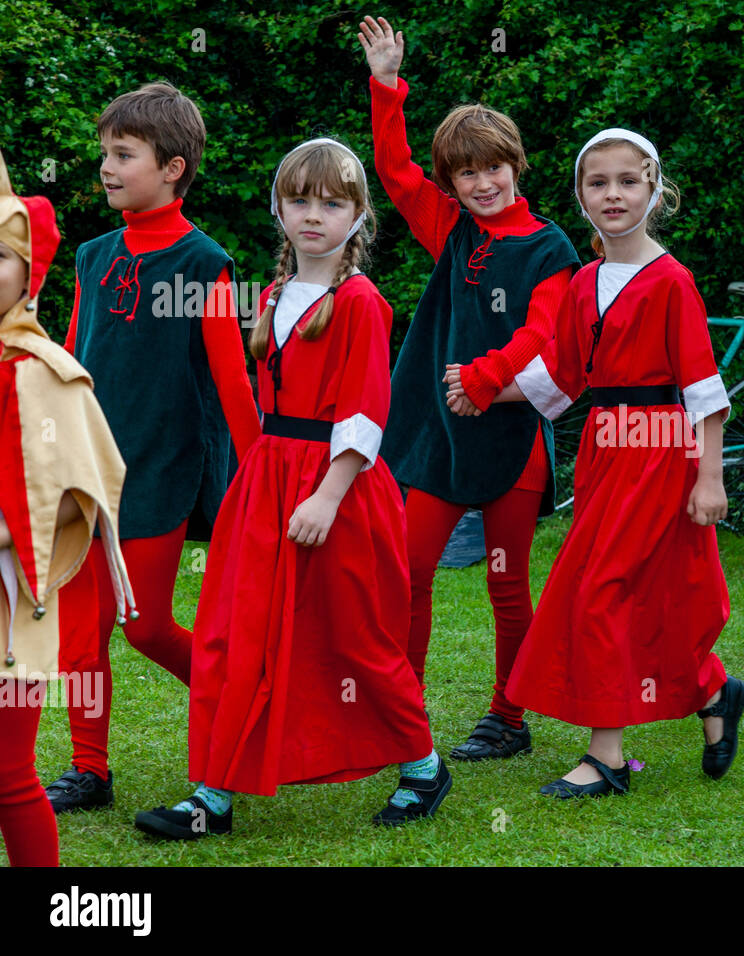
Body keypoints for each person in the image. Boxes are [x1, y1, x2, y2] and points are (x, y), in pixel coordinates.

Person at [134, 138, 446, 840]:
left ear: (358, 217)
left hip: (336, 490)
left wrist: (327, 497)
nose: (314, 215)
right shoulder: (271, 295)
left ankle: (424, 768)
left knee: (356, 637)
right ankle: (211, 796)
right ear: (278, 209)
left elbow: (366, 412)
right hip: (267, 482)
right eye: (300, 200)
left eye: (332, 203)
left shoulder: (362, 302)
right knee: (232, 633)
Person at [454, 128, 744, 797]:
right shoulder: (583, 282)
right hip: (603, 455)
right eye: (597, 183)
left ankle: (607, 757)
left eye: (628, 181)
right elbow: (559, 380)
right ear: (581, 197)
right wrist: (481, 389)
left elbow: (705, 393)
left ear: (655, 190)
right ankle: (713, 693)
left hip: (661, 451)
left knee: (600, 594)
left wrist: (709, 476)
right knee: (639, 596)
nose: (613, 195)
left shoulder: (672, 281)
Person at [360, 16, 580, 761]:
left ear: (515, 166)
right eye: (465, 174)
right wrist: (386, 84)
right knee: (408, 573)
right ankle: (403, 710)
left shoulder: (550, 245)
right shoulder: (451, 228)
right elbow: (393, 172)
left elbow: (542, 335)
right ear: (452, 181)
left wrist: (484, 379)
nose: (481, 184)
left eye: (493, 169)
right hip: (440, 438)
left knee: (507, 584)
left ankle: (507, 718)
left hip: (511, 441)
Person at [46, 82, 260, 814]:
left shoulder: (210, 264)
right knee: (79, 636)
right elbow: (74, 360)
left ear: (171, 167)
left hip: (164, 468)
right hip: (86, 470)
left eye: (124, 154)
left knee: (146, 627)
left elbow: (234, 385)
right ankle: (88, 770)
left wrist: (265, 471)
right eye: (105, 152)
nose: (107, 167)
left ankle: (241, 707)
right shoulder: (91, 255)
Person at [0, 148, 134, 865]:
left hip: (13, 608)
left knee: (9, 775)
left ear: (30, 273)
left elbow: (76, 489)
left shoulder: (47, 375)